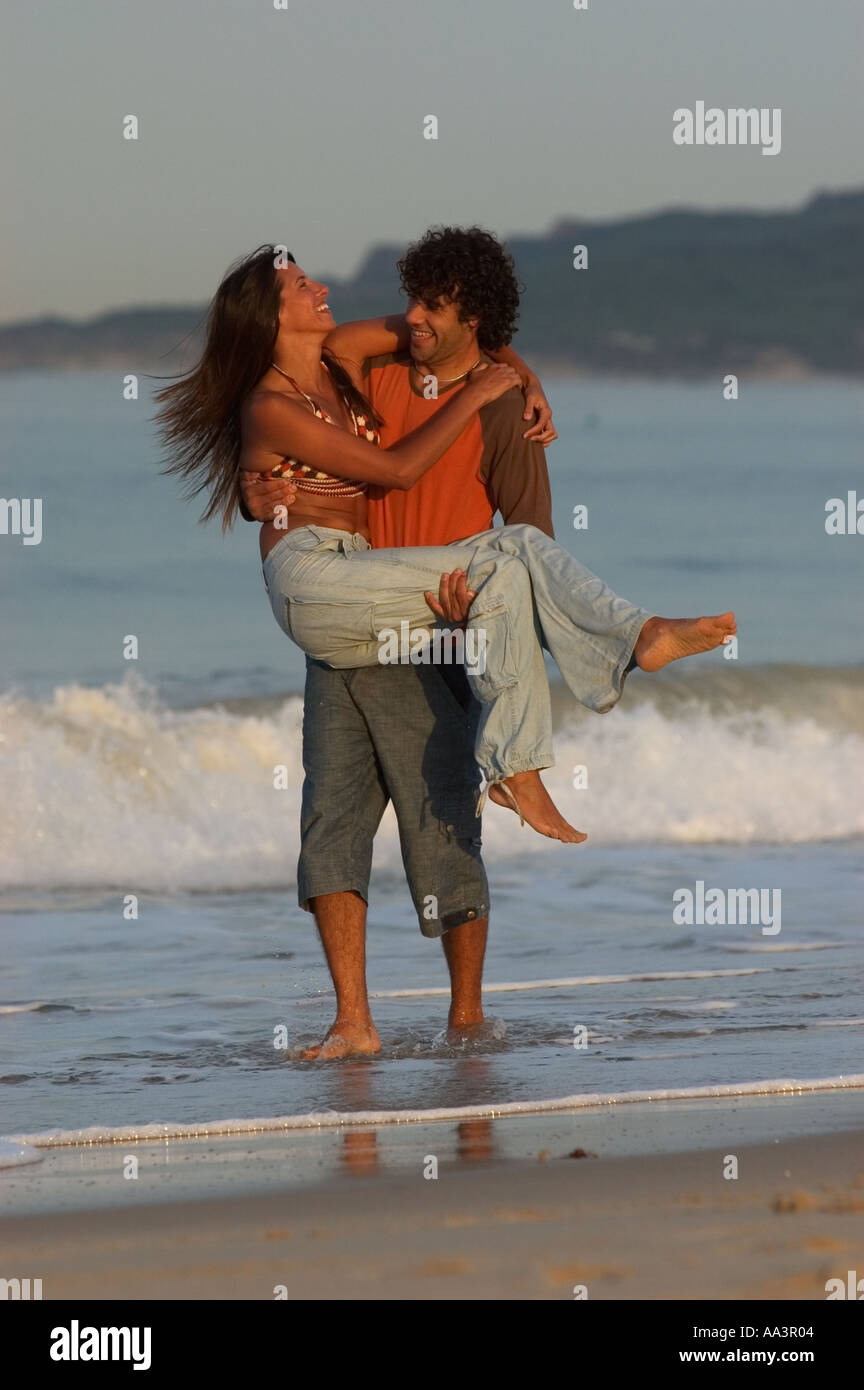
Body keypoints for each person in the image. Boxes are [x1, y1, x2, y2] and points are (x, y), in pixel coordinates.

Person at [159, 236, 735, 1055]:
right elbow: (389, 472)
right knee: (334, 824)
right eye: (299, 284)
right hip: (330, 592)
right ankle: (583, 696)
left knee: (441, 811)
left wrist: (516, 379)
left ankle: (448, 1012)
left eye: (435, 308)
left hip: (416, 616)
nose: (328, 289)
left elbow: (485, 377)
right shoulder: (282, 397)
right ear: (268, 314)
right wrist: (487, 386)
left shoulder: (365, 363)